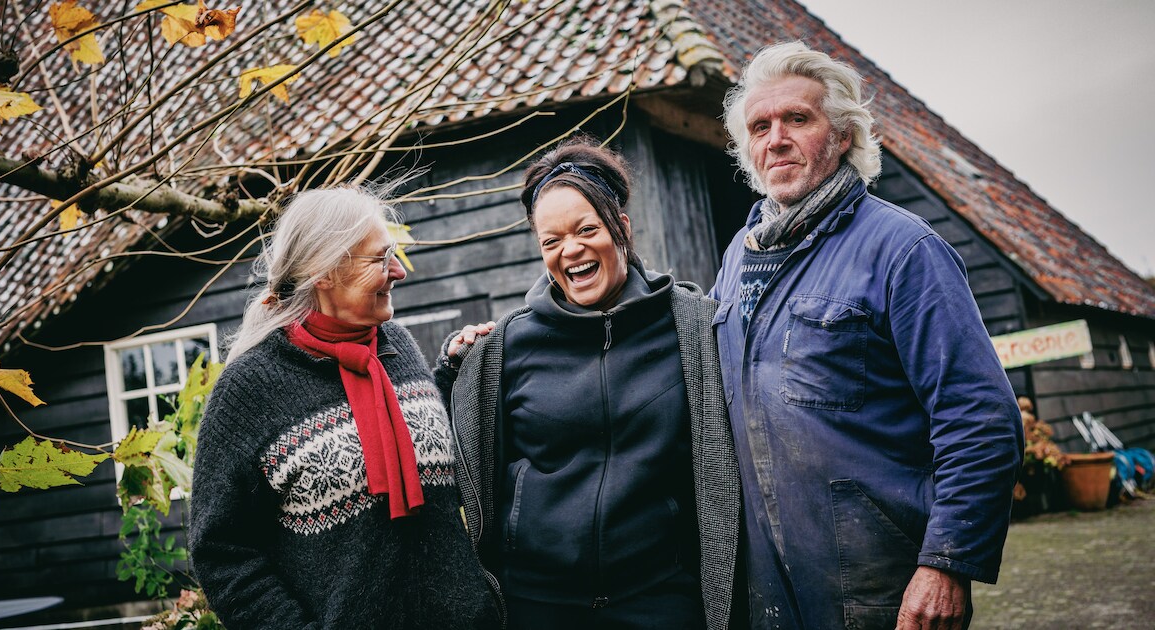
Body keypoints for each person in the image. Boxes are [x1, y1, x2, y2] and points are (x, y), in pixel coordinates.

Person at [710, 42, 1023, 630]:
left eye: (797, 119)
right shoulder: (738, 257)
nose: (775, 138)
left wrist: (945, 564)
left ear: (845, 135)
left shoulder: (903, 250)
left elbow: (980, 418)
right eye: (759, 126)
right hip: (768, 585)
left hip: (879, 580)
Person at [437, 141, 741, 629]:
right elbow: (449, 449)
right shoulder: (507, 346)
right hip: (538, 605)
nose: (570, 251)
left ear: (622, 226)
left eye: (586, 229)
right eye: (551, 241)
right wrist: (453, 369)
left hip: (659, 597)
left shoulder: (691, 326)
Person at [188, 186, 499, 629]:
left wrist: (454, 375)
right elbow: (221, 551)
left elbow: (420, 455)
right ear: (324, 271)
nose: (398, 271)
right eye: (379, 259)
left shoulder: (399, 348)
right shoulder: (249, 389)